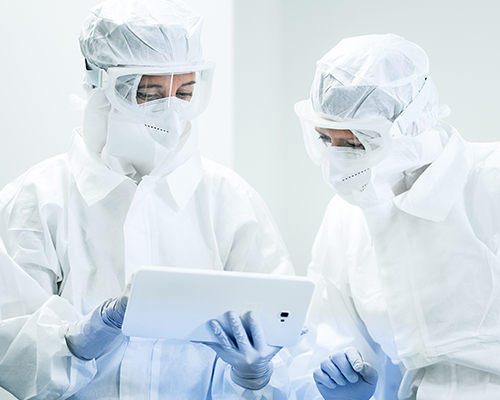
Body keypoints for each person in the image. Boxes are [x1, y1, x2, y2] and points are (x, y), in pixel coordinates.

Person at [0, 0, 295, 398]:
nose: (170, 111)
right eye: (149, 92)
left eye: (185, 91)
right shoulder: (37, 199)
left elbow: (285, 341)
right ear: (100, 84)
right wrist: (82, 339)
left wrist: (253, 376)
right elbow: (12, 346)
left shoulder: (229, 200)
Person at [293, 33, 500, 399]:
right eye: (327, 140)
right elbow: (330, 340)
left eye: (358, 143)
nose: (339, 162)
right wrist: (343, 386)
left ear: (413, 125)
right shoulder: (346, 216)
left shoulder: (490, 180)